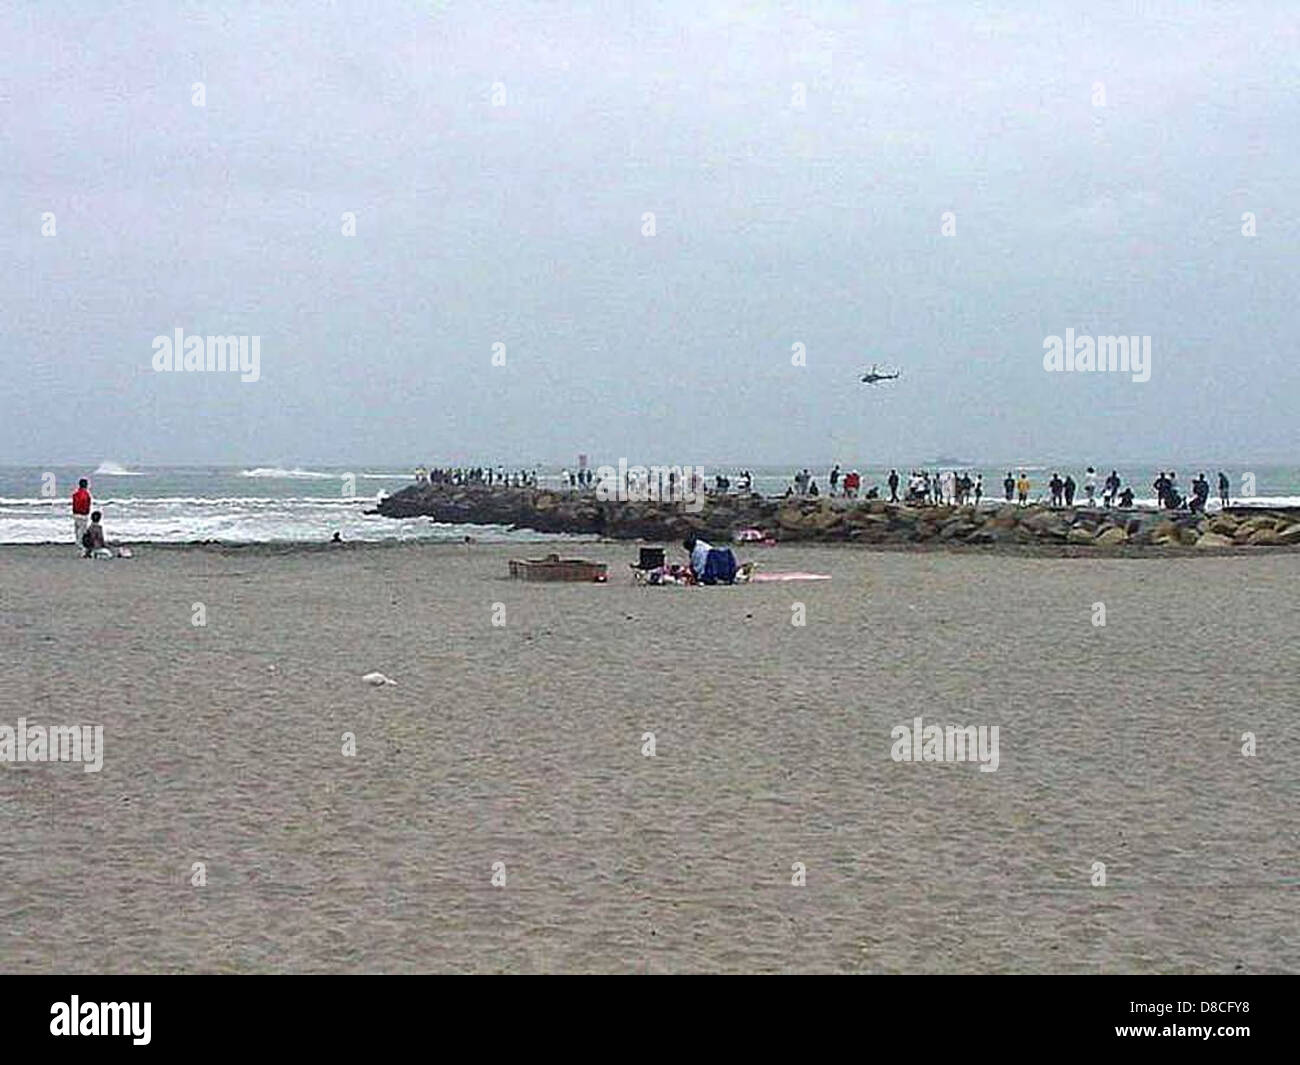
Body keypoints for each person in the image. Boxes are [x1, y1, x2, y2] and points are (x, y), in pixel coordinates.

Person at [71, 478, 92, 549]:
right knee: (82, 530)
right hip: (83, 514)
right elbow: (87, 504)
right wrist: (87, 512)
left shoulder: (75, 494)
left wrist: (74, 512)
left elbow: (74, 504)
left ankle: (78, 542)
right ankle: (81, 544)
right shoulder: (86, 494)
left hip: (76, 513)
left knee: (77, 529)